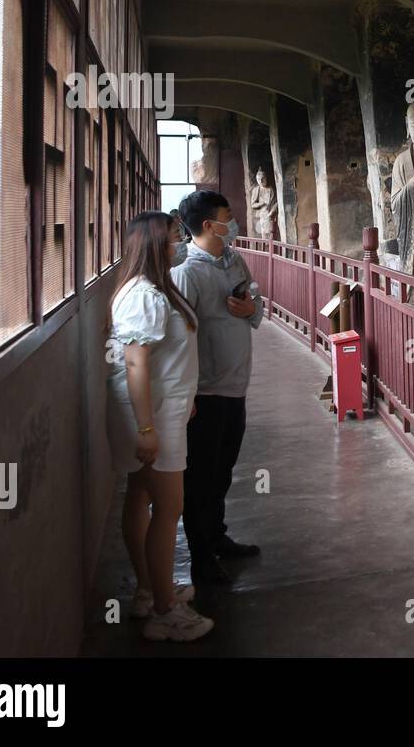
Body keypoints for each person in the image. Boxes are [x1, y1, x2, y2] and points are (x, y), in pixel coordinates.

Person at [107, 211, 214, 642]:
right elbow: (136, 362)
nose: (182, 242)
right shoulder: (145, 294)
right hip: (151, 415)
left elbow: (161, 359)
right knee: (169, 509)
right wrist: (148, 428)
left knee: (139, 494)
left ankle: (151, 591)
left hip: (160, 408)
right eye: (175, 237)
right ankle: (165, 613)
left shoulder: (151, 289)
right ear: (155, 245)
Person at [173, 190, 263, 584]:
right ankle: (199, 553)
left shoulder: (233, 258)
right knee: (200, 477)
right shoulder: (186, 274)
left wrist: (252, 308)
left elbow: (254, 302)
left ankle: (218, 534)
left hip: (235, 386)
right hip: (206, 393)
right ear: (209, 224)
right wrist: (187, 393)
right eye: (229, 215)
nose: (235, 220)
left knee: (223, 469)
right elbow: (180, 338)